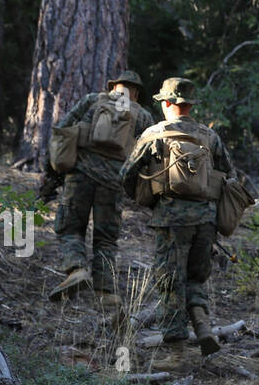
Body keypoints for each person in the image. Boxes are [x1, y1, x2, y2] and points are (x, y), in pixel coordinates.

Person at [120, 77, 237, 351]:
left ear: (169, 103)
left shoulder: (154, 134)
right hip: (206, 220)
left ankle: (176, 353)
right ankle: (203, 326)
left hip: (171, 219)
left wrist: (148, 200)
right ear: (188, 105)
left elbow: (126, 174)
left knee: (169, 281)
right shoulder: (209, 136)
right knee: (195, 277)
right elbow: (230, 176)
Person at [46, 70, 155, 310]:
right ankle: (106, 293)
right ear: (135, 92)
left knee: (70, 228)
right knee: (106, 239)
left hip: (80, 177)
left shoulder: (92, 101)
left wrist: (52, 171)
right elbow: (153, 153)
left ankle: (76, 269)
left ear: (113, 86)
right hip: (114, 183)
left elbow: (61, 129)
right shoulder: (143, 116)